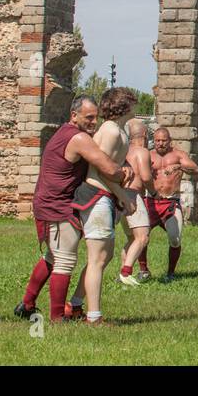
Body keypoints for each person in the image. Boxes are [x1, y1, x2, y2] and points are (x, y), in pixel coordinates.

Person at [15, 96, 131, 322]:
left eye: (96, 117)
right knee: (65, 261)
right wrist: (125, 173)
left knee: (52, 256)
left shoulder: (66, 133)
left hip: (50, 202)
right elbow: (108, 169)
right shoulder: (78, 138)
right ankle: (57, 317)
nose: (93, 122)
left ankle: (27, 304)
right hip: (57, 206)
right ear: (73, 115)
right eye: (88, 117)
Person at [68, 87, 137, 323]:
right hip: (97, 195)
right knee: (98, 258)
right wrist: (124, 197)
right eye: (133, 103)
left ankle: (76, 303)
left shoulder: (118, 129)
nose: (136, 108)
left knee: (103, 257)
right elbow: (102, 167)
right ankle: (93, 316)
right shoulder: (109, 130)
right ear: (124, 105)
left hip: (106, 197)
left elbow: (114, 162)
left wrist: (126, 168)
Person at [141, 126, 198, 282]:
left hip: (171, 202)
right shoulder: (148, 155)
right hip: (150, 201)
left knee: (175, 239)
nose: (160, 143)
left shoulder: (178, 155)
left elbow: (195, 169)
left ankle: (171, 273)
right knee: (141, 237)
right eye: (158, 140)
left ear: (169, 141)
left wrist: (179, 167)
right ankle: (143, 270)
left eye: (164, 140)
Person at [117, 118, 154, 285]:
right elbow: (145, 177)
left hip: (119, 196)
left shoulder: (123, 151)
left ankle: (121, 273)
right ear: (145, 135)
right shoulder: (142, 152)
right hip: (133, 196)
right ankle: (126, 273)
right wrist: (154, 192)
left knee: (132, 238)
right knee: (143, 238)